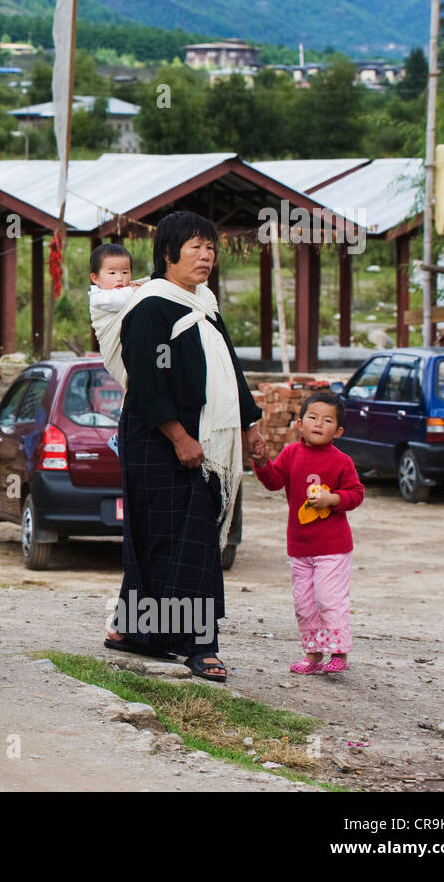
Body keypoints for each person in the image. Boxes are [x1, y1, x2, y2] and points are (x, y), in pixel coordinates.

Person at [102, 211, 263, 682]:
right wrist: (179, 437)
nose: (207, 255)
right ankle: (199, 645)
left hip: (204, 443)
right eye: (195, 247)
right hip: (160, 442)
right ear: (168, 254)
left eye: (210, 247)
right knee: (174, 542)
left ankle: (133, 632)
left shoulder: (204, 305)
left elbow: (229, 368)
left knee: (185, 539)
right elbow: (149, 384)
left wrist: (250, 423)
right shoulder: (150, 307)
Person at [252, 391, 364, 674]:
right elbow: (275, 482)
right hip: (300, 546)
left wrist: (333, 499)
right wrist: (263, 462)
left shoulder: (342, 461)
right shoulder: (291, 453)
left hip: (333, 546)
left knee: (329, 600)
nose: (318, 424)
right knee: (304, 604)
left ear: (337, 431)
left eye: (327, 420)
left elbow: (356, 494)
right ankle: (312, 656)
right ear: (299, 422)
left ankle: (338, 654)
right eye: (312, 417)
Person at [87, 242, 145, 455]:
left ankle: (121, 436)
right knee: (137, 388)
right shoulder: (102, 297)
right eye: (112, 272)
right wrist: (146, 288)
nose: (120, 278)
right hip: (116, 352)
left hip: (129, 348)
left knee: (135, 392)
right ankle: (121, 436)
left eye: (125, 272)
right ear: (96, 278)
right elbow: (124, 299)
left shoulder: (125, 290)